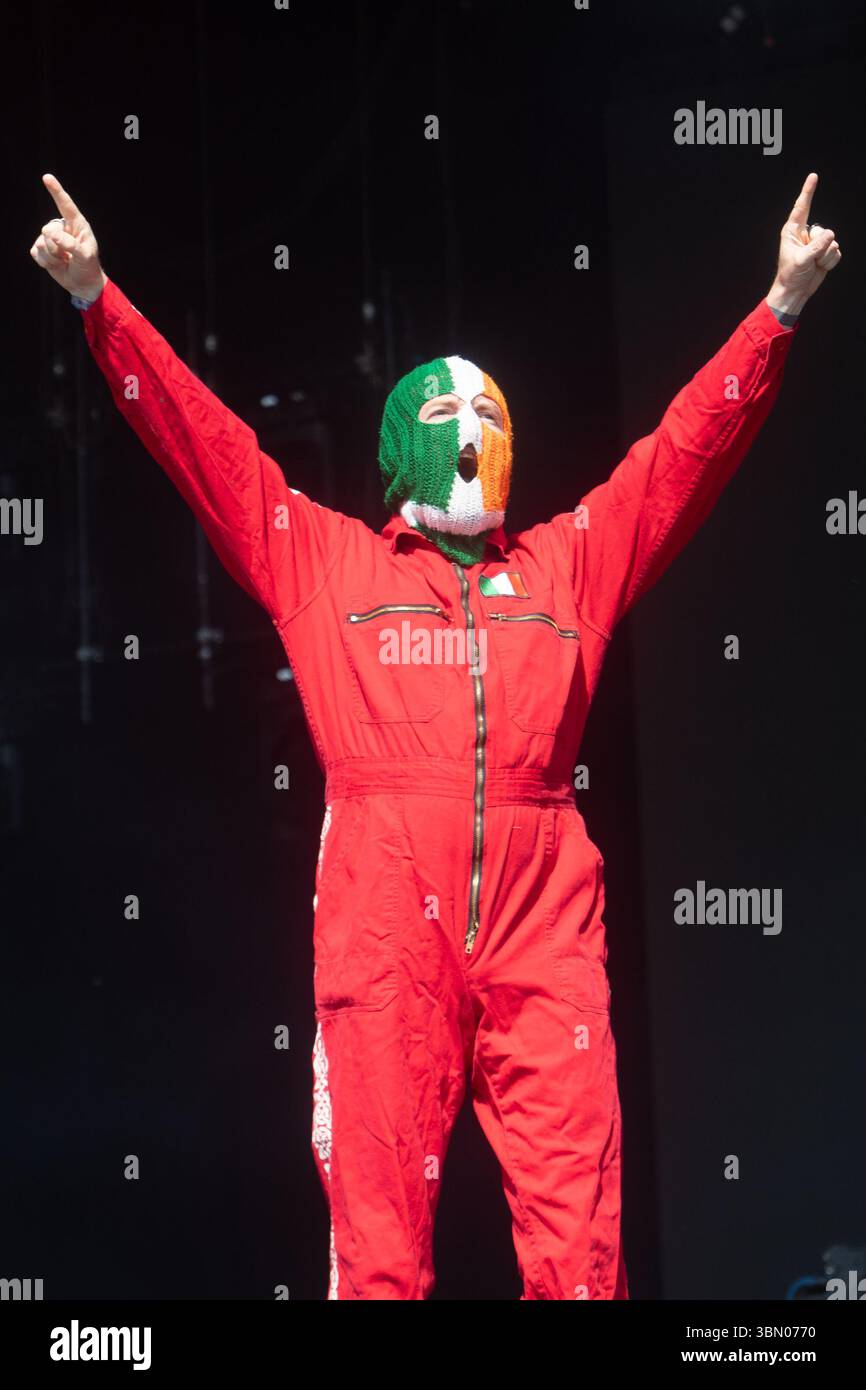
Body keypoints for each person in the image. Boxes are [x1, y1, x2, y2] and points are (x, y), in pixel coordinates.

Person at [30, 171, 841, 1300]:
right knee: (379, 1252)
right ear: (398, 451)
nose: (474, 441)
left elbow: (673, 465)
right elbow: (208, 451)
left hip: (542, 911)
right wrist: (97, 298)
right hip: (381, 915)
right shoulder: (329, 565)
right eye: (448, 422)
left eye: (493, 420)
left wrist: (776, 313)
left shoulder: (564, 564)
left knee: (578, 1243)